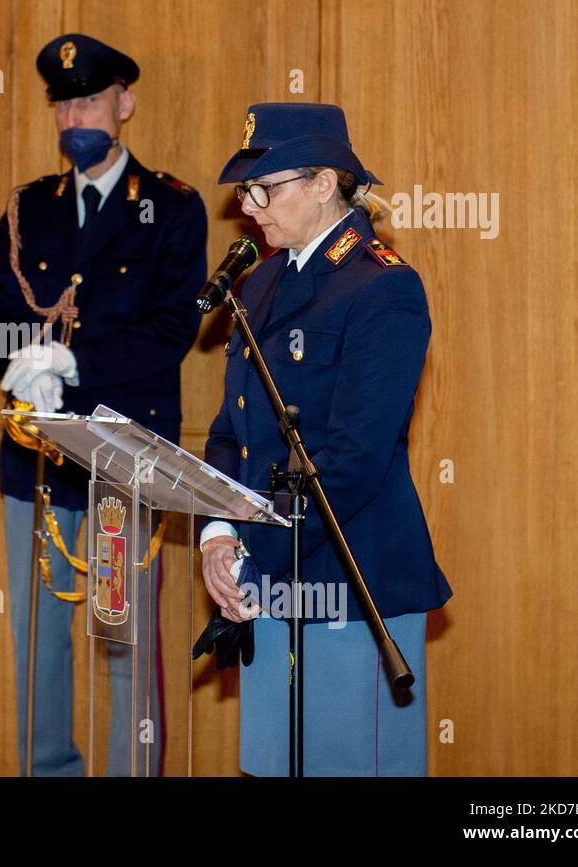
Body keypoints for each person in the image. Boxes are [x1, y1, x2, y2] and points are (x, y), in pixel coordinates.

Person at [0, 33, 208, 776]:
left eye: (91, 101)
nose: (76, 117)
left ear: (124, 104)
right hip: (37, 457)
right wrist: (21, 368)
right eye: (64, 104)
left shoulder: (171, 208)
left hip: (123, 461)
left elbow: (173, 329)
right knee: (38, 643)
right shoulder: (28, 208)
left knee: (125, 641)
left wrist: (73, 362)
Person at [199, 102, 452, 776]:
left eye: (264, 188)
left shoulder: (383, 286)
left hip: (350, 581)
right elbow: (232, 429)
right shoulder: (260, 281)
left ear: (322, 183)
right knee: (271, 766)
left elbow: (354, 459)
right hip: (264, 580)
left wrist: (252, 551)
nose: (249, 207)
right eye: (245, 191)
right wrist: (218, 535)